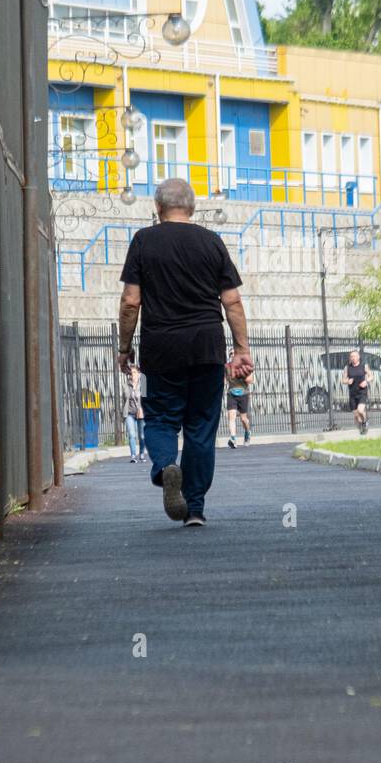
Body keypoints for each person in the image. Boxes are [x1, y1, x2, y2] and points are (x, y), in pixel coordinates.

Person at [117, 177, 253, 529]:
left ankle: (165, 467)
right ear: (191, 208)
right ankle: (194, 508)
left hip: (160, 351)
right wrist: (241, 350)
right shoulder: (212, 242)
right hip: (207, 348)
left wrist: (124, 348)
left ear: (157, 208)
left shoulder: (143, 241)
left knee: (160, 418)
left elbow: (131, 301)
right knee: (201, 427)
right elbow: (232, 301)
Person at [342, 350, 372, 434]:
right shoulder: (347, 368)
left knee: (360, 410)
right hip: (352, 393)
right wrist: (347, 381)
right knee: (356, 415)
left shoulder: (364, 366)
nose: (353, 358)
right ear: (350, 358)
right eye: (351, 356)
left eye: (355, 356)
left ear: (358, 357)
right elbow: (343, 380)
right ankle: (362, 428)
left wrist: (366, 381)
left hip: (362, 392)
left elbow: (371, 376)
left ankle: (365, 421)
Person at [121, 362, 146, 463]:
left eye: (135, 373)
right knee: (132, 435)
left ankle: (142, 453)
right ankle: (133, 455)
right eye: (131, 373)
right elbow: (125, 398)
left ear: (139, 373)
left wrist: (142, 409)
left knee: (142, 436)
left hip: (140, 414)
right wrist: (132, 387)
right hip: (129, 414)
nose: (133, 375)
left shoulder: (143, 383)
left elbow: (145, 399)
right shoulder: (126, 384)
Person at [227, 367, 253, 447]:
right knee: (232, 416)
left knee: (243, 419)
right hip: (231, 394)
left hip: (243, 394)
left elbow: (250, 380)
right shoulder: (227, 367)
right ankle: (233, 439)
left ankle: (247, 432)